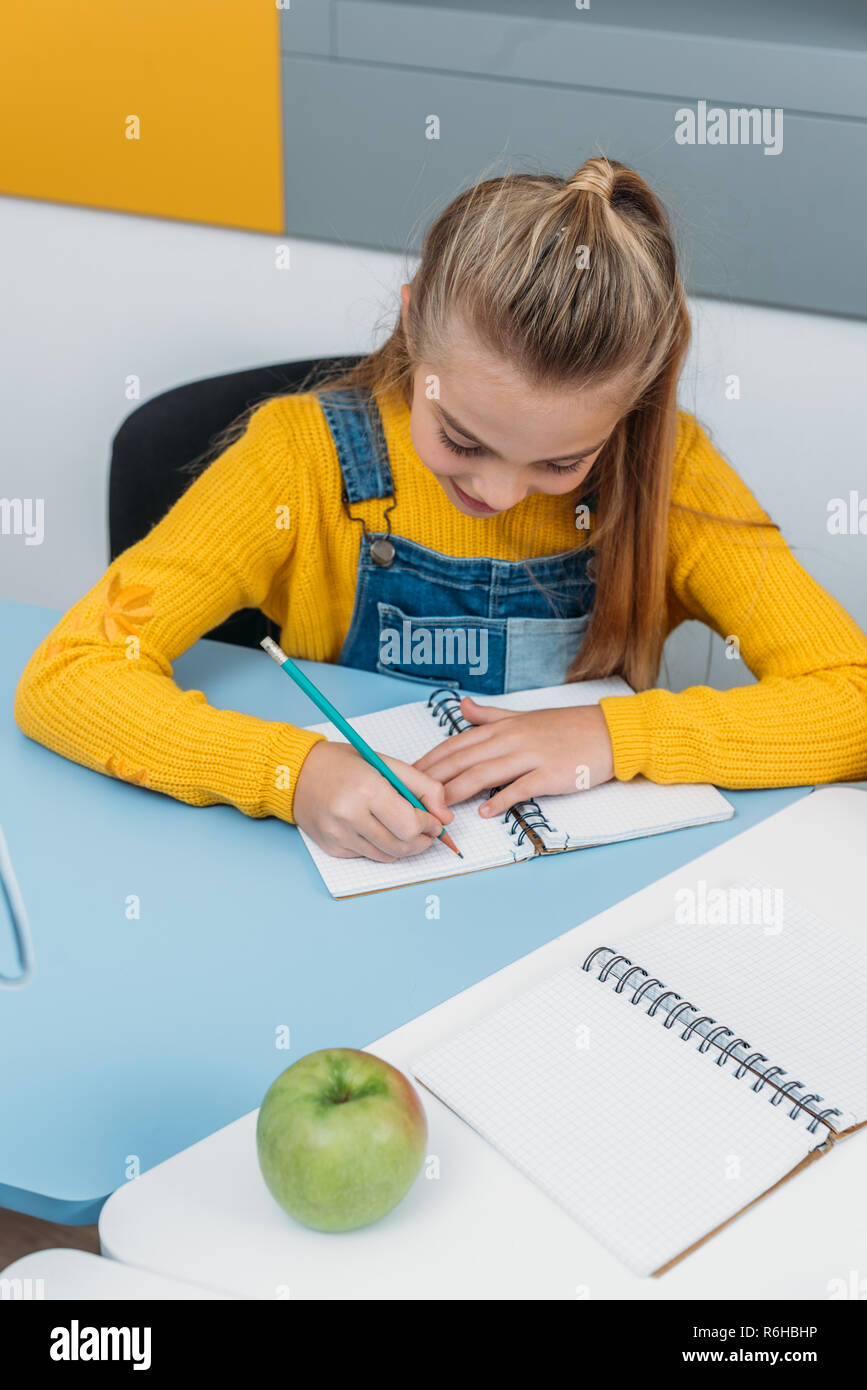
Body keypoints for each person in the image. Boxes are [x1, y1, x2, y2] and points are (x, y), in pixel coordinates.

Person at [15, 157, 867, 864]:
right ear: (414, 319)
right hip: (359, 874)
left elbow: (851, 698)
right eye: (461, 438)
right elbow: (69, 675)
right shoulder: (296, 459)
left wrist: (615, 736)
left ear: (629, 408)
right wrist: (291, 772)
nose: (496, 494)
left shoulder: (669, 468)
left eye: (561, 462)